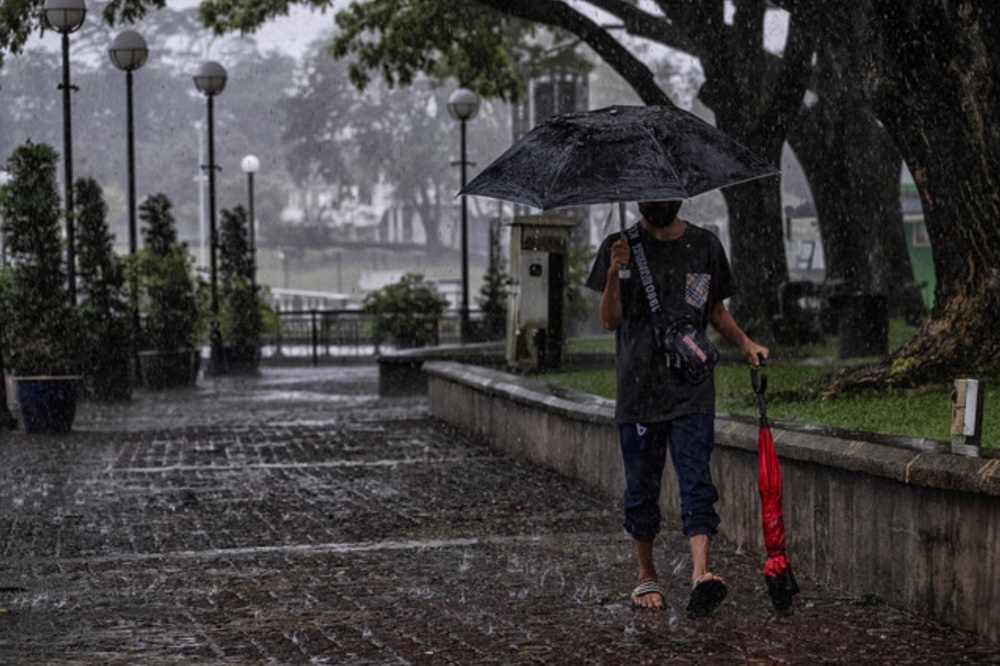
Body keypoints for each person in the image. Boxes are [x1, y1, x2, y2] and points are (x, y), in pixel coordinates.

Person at [586, 199, 768, 617]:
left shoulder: (705, 245)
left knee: (696, 480)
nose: (658, 202)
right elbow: (610, 321)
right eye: (649, 195)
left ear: (680, 196)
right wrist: (615, 272)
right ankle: (645, 575)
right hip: (639, 393)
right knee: (642, 488)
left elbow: (715, 311)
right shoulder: (619, 245)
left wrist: (745, 343)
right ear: (637, 200)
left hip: (692, 389)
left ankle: (701, 574)